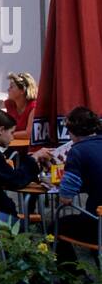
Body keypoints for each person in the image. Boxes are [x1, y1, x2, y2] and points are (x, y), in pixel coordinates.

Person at [55, 107, 102, 266]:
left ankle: (71, 274)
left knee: (56, 225)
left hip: (97, 223)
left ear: (72, 132)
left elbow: (66, 199)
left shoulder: (77, 151)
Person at [4, 71, 37, 137]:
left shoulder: (33, 107)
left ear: (22, 90)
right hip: (12, 142)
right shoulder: (9, 104)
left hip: (27, 144)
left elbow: (29, 133)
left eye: (11, 87)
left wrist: (7, 135)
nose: (8, 89)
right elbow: (5, 128)